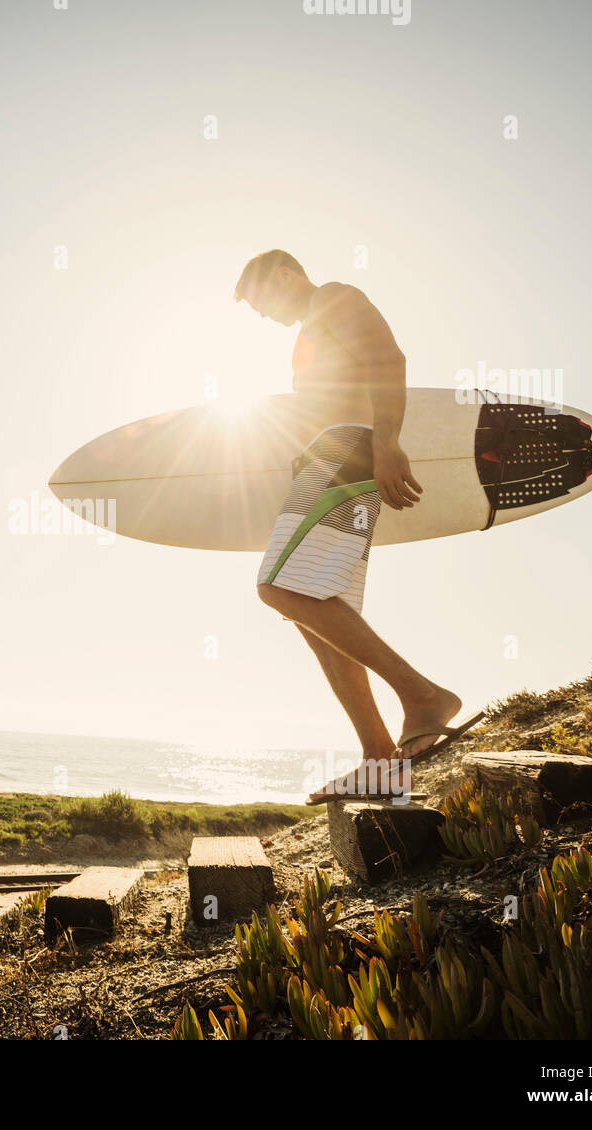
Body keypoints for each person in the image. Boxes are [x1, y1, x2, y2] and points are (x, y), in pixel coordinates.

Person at [234, 250, 480, 803]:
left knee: (278, 587)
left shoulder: (334, 298)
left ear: (284, 274)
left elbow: (388, 361)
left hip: (346, 451)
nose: (263, 315)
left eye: (260, 300)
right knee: (316, 610)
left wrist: (386, 442)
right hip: (329, 457)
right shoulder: (310, 328)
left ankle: (423, 696)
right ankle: (379, 760)